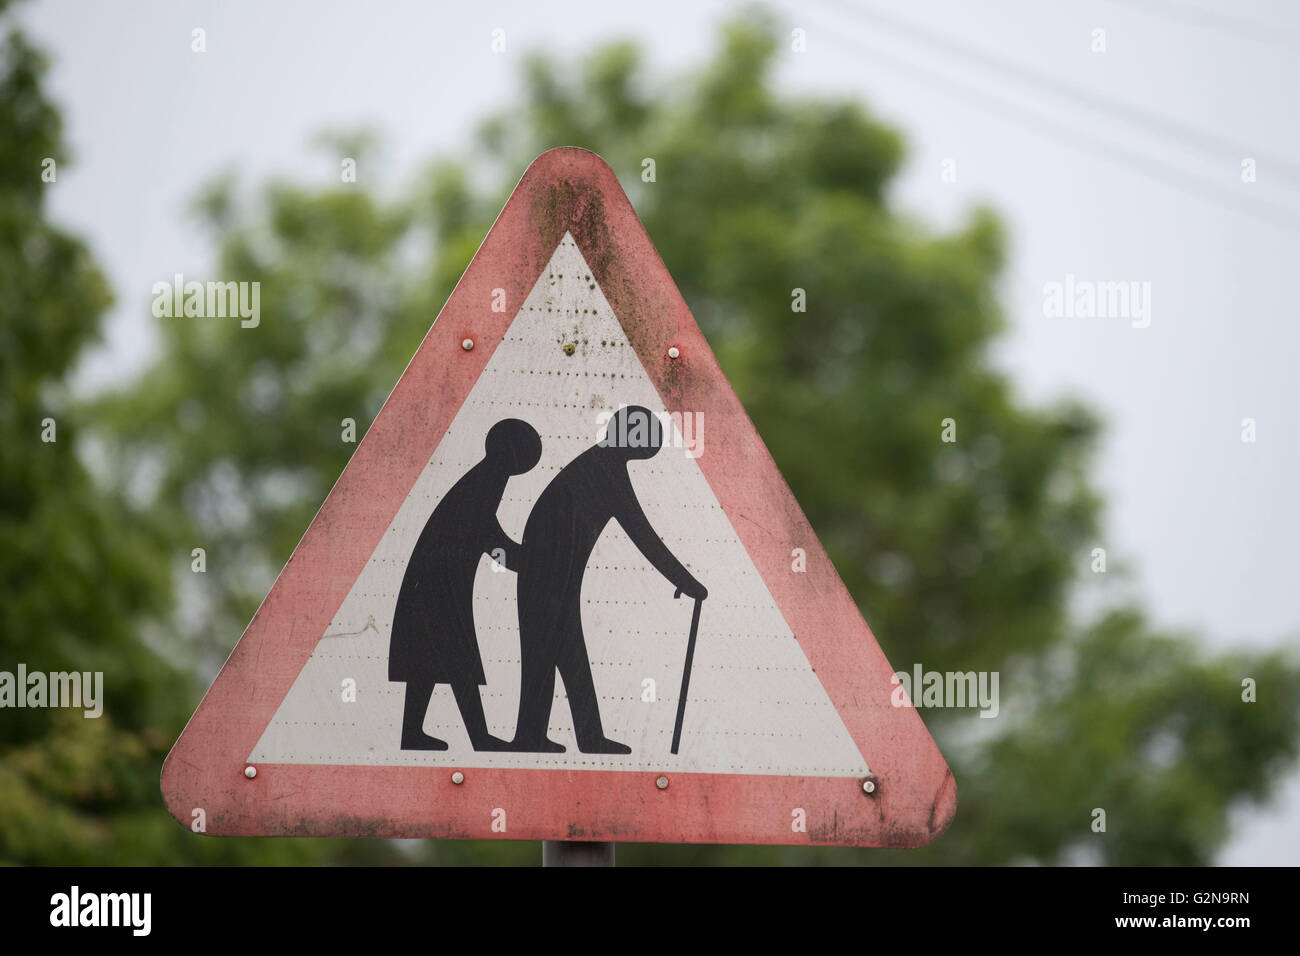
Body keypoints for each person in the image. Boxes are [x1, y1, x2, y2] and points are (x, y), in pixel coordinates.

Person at [510, 405, 707, 754]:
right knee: (552, 656)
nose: (653, 444)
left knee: (562, 656)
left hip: (553, 576)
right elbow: (642, 534)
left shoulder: (599, 464)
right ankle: (552, 737)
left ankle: (566, 737)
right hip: (548, 576)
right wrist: (687, 582)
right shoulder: (604, 470)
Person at [389, 418, 542, 751]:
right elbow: (488, 534)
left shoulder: (487, 476)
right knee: (455, 658)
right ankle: (477, 737)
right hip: (439, 583)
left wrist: (520, 558)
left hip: (437, 579)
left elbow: (485, 533)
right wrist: (530, 561)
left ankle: (415, 733)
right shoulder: (487, 480)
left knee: (429, 659)